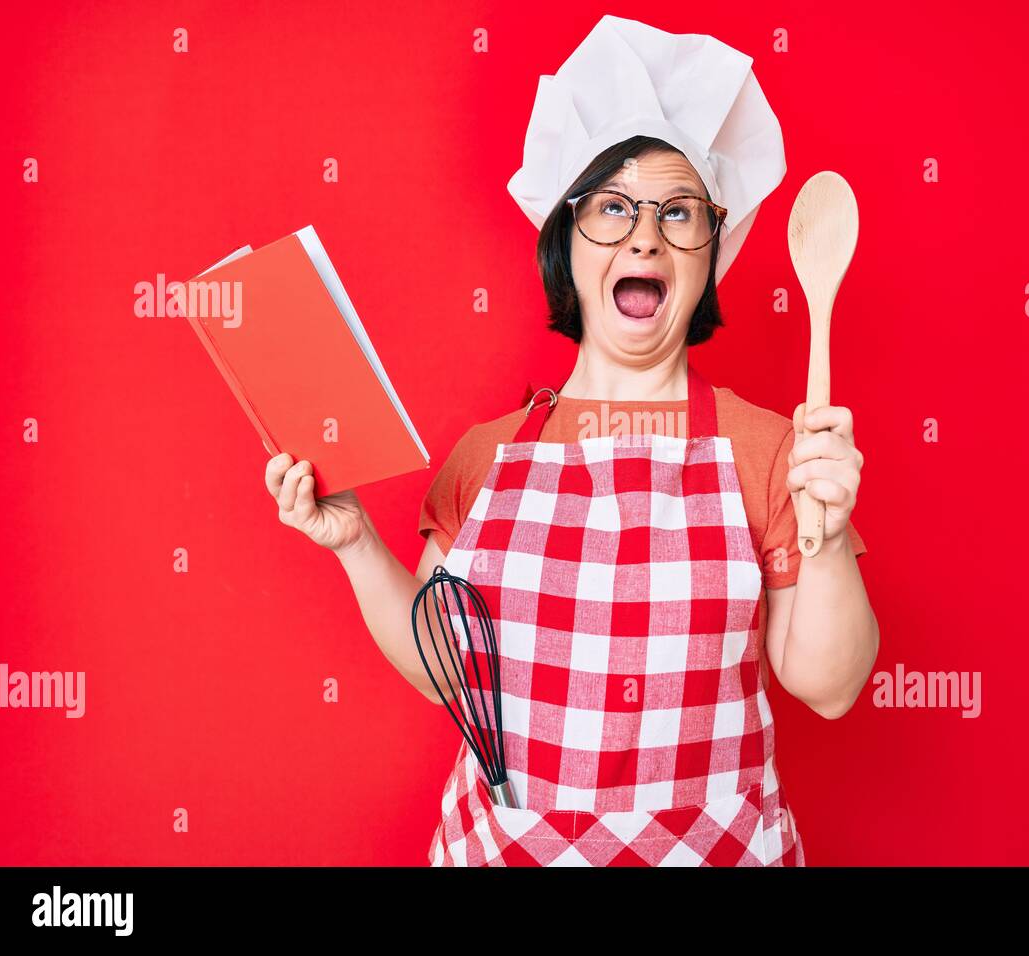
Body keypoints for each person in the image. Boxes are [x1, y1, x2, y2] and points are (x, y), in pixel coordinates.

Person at [263, 15, 877, 866]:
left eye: (679, 212)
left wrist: (833, 535)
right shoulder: (485, 456)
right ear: (566, 239)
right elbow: (451, 671)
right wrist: (357, 542)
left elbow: (830, 685)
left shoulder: (770, 451)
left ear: (709, 254)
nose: (646, 233)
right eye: (614, 207)